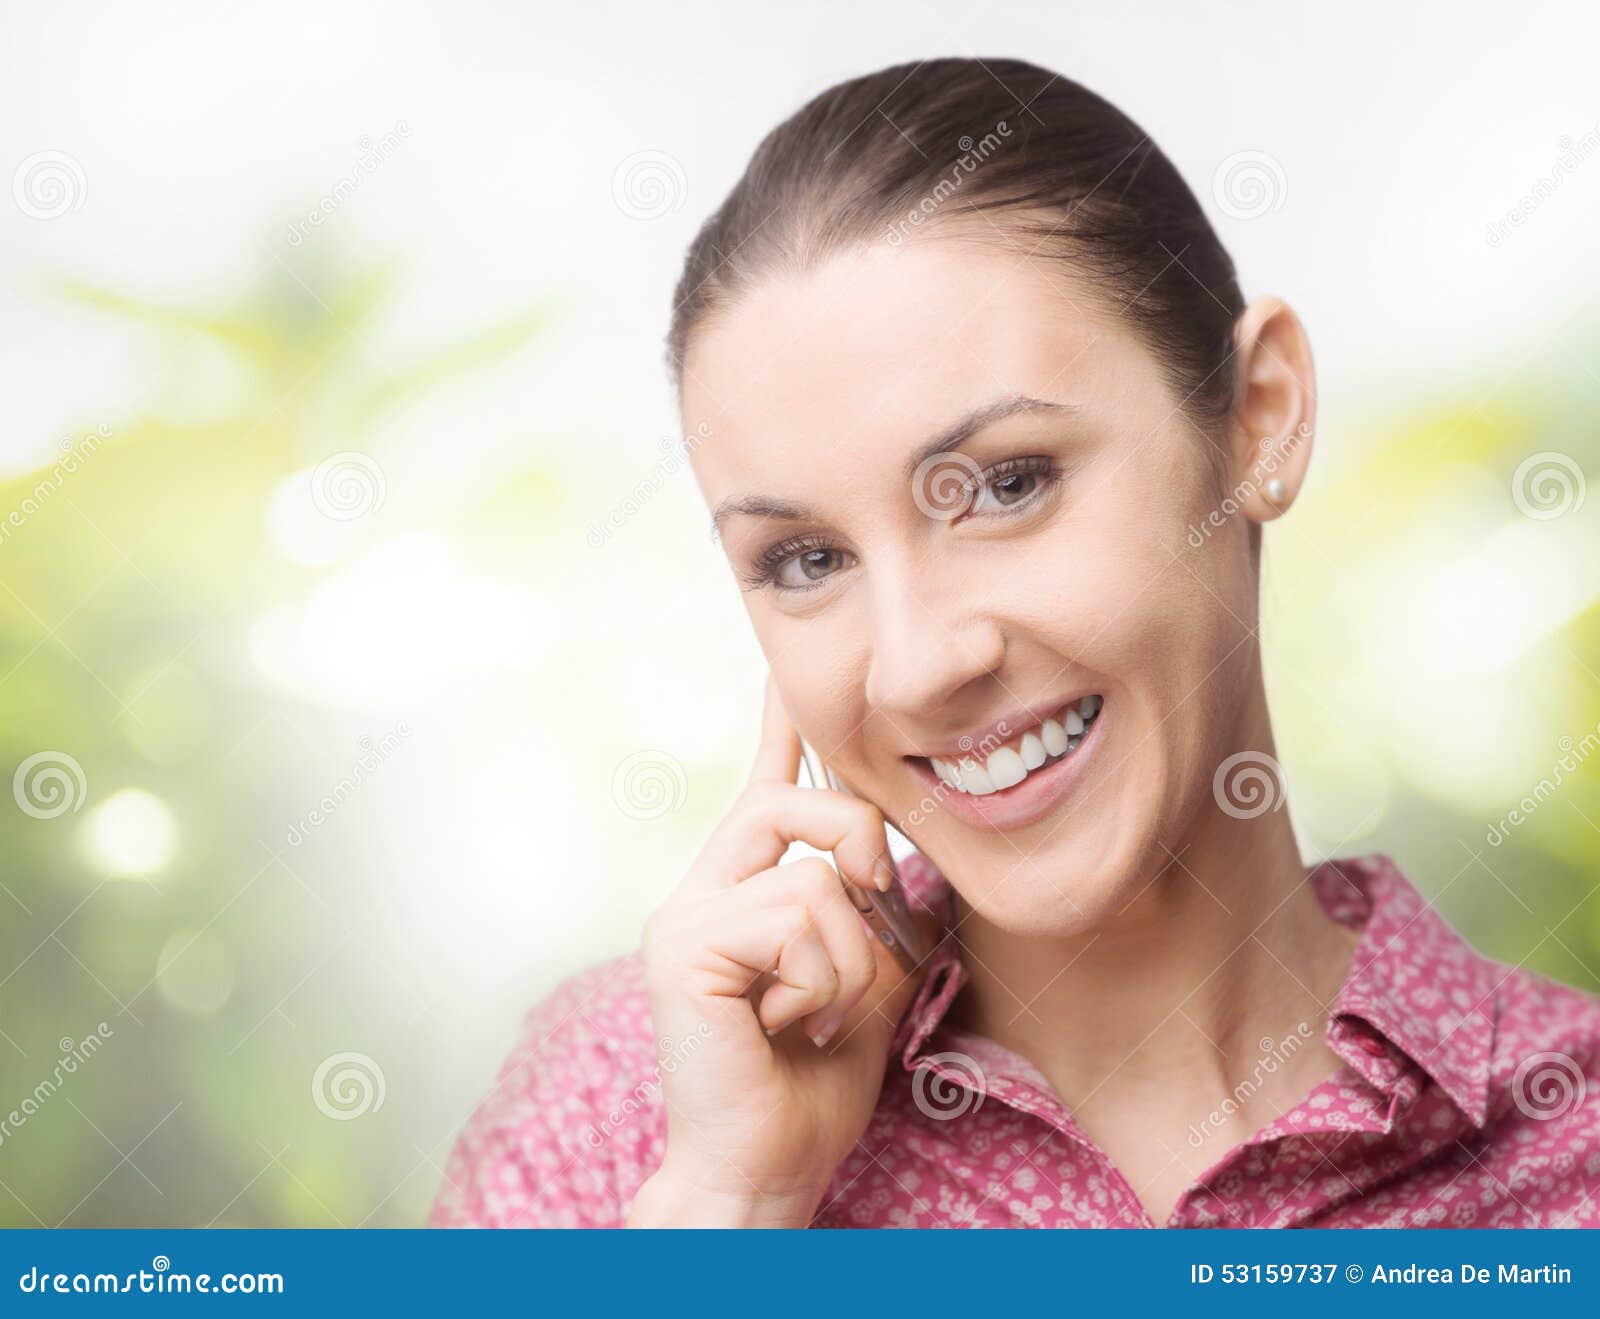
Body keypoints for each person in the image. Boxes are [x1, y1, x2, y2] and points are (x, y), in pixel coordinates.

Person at [431, 57, 1600, 1228]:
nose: (918, 664)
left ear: (1260, 416)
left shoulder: (1570, 1143)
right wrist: (733, 1201)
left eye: (1005, 484)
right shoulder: (610, 1115)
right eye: (808, 559)